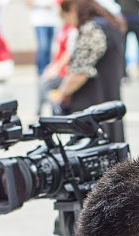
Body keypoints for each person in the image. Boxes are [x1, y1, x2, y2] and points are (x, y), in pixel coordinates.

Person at [51, 0, 126, 142]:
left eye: (65, 16)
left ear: (73, 10)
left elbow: (80, 72)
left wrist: (61, 94)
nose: (67, 23)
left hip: (92, 106)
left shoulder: (92, 29)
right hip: (107, 103)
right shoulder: (108, 24)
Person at [27, 0, 60, 75]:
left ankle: (47, 71)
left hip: (52, 21)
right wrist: (43, 5)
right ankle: (41, 72)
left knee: (48, 49)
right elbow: (27, 3)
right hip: (39, 22)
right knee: (43, 47)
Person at [118, 0, 139, 81]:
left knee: (124, 49)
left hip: (128, 20)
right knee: (138, 48)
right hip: (132, 20)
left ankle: (125, 75)